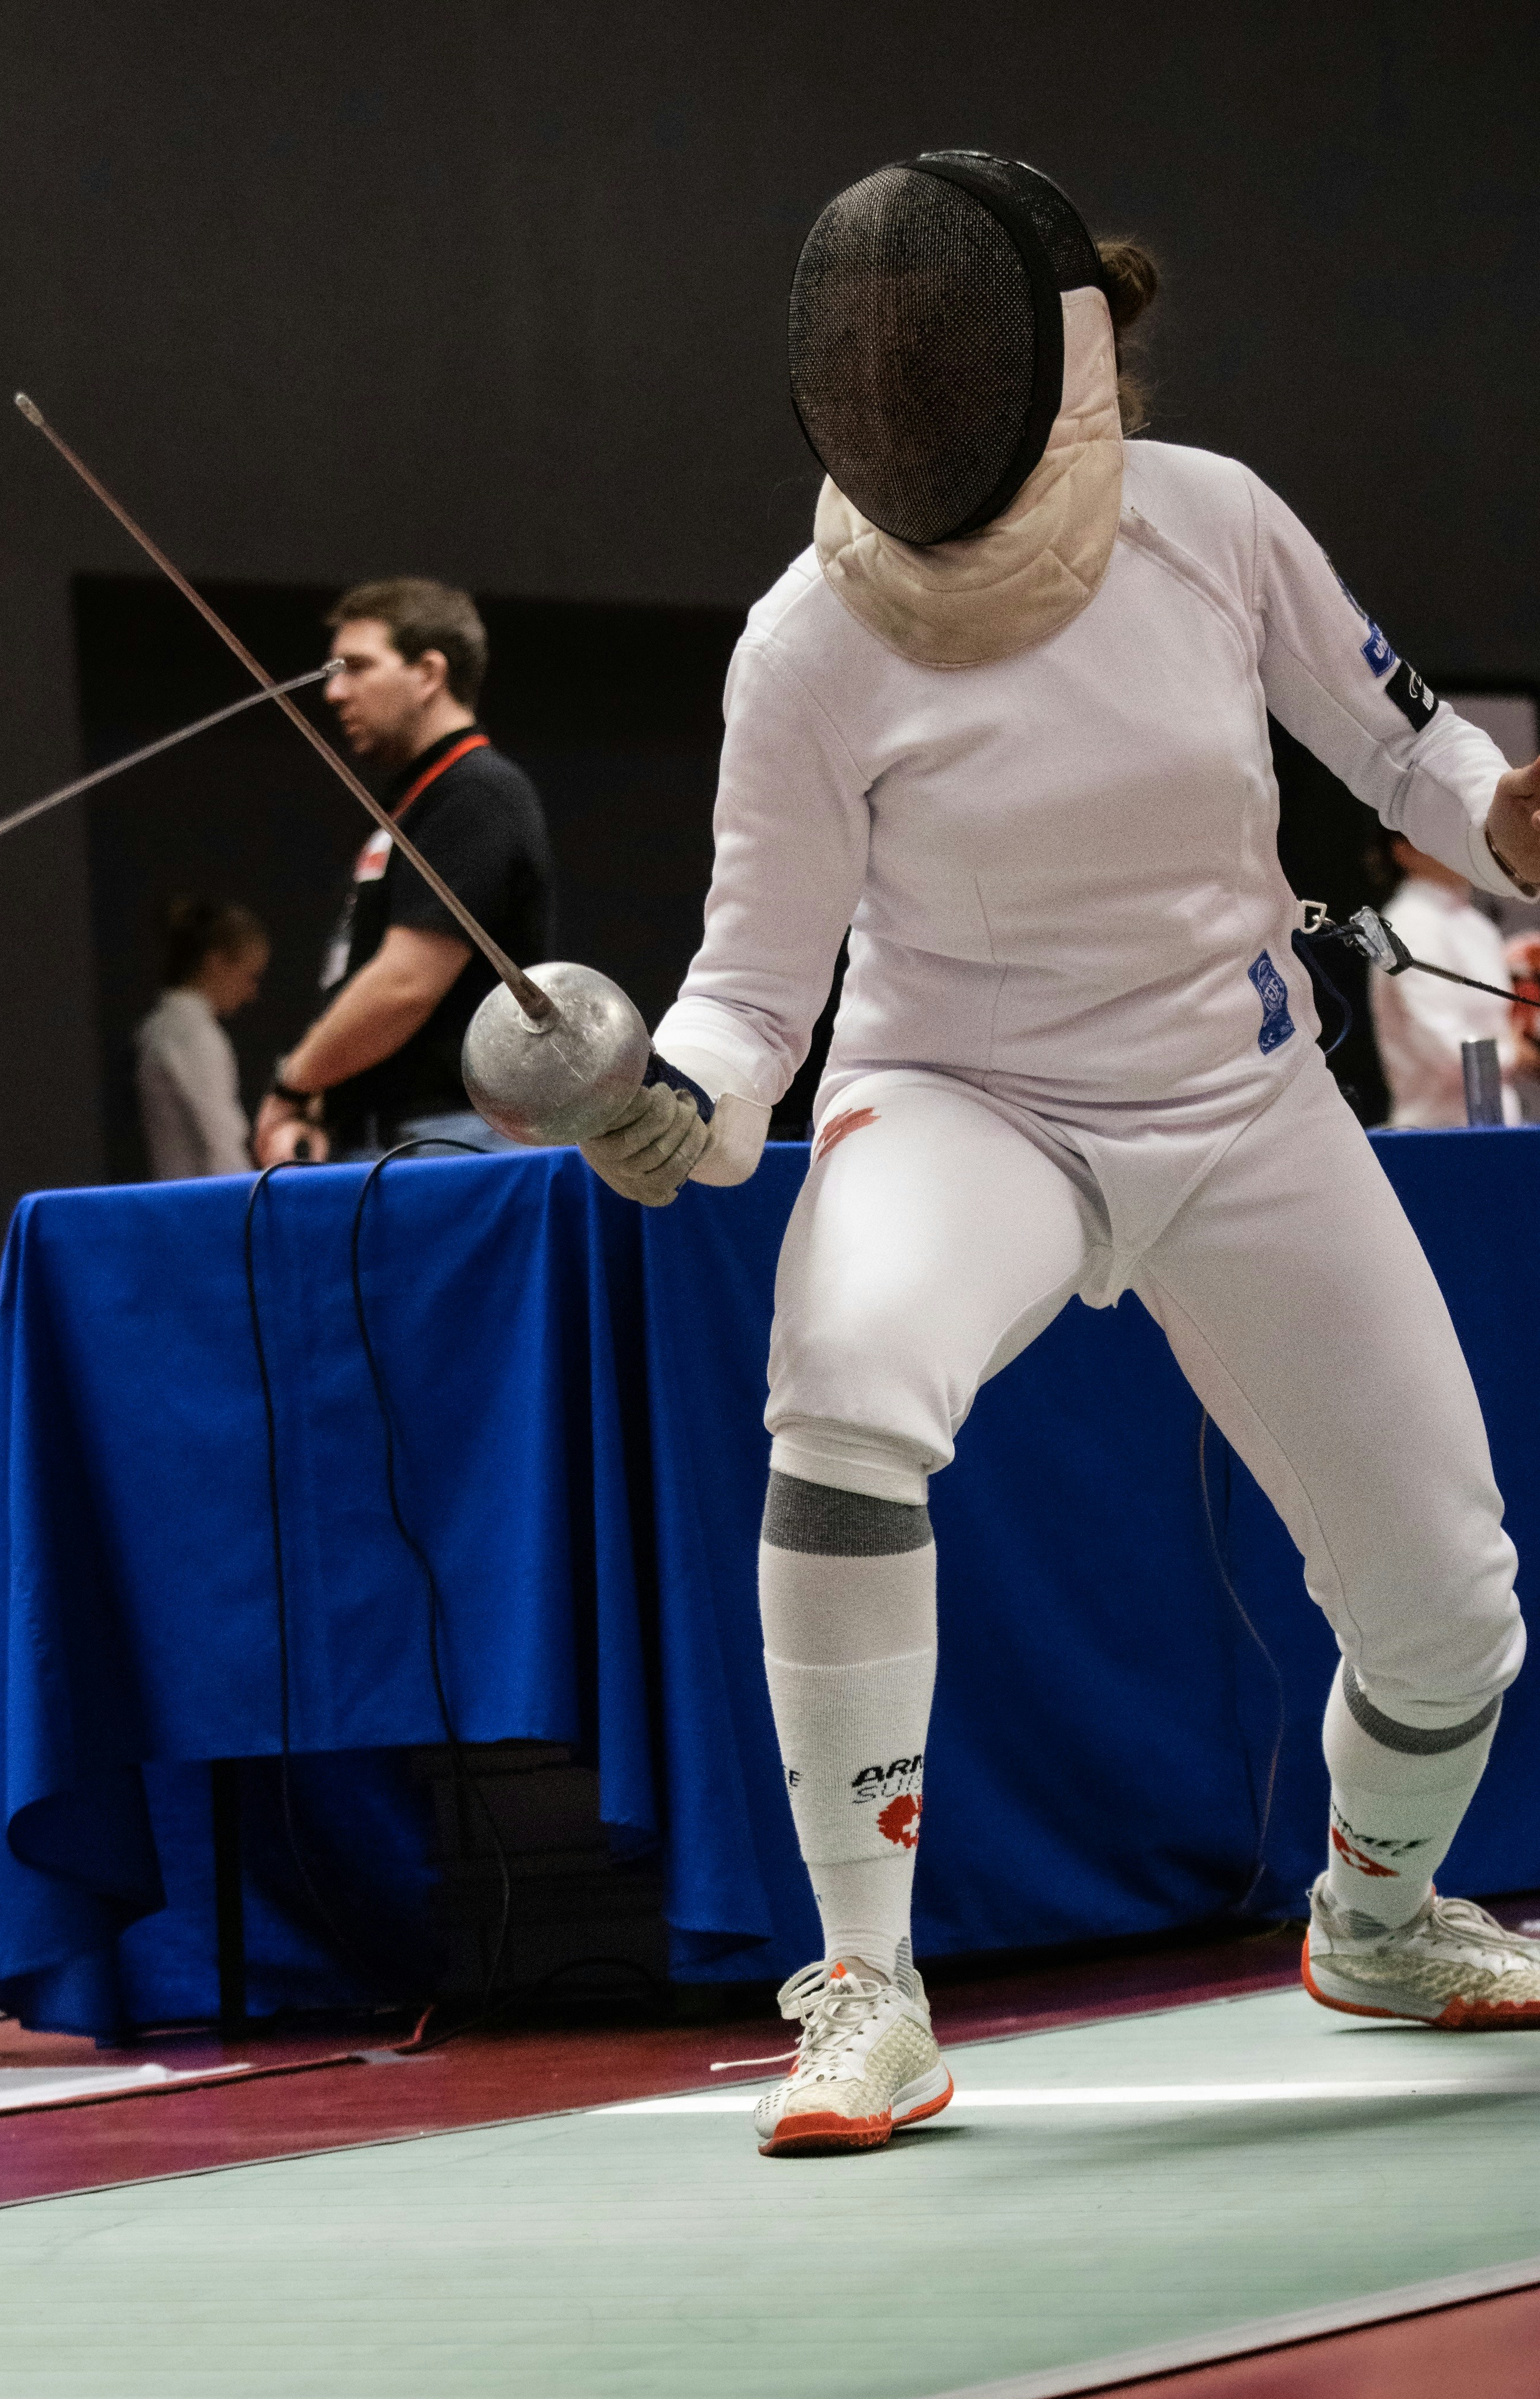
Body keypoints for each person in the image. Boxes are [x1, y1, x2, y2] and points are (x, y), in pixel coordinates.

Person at [578, 150, 1540, 2156]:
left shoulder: (1209, 524)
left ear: (1057, 354)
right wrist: (675, 1090)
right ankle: (868, 1985)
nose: (900, 381)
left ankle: (1372, 1920)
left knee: (1451, 1600)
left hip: (1245, 1094)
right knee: (843, 1390)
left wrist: (1507, 823)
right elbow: (756, 990)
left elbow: (1400, 743)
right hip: (964, 1101)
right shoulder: (806, 642)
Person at [254, 580, 554, 1162]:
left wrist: (294, 1087)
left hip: (447, 1139)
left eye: (358, 667)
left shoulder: (477, 793)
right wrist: (324, 1105)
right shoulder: (416, 802)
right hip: (393, 1137)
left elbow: (405, 985)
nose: (335, 692)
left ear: (428, 673)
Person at [1372, 836, 1524, 1125]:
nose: (1461, 845)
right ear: (1404, 852)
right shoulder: (1408, 924)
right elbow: (1446, 1050)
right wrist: (1519, 1055)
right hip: (1436, 1131)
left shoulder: (1475, 923)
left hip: (1498, 1126)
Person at [135, 900, 279, 1179]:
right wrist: (247, 1207)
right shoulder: (190, 1032)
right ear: (215, 964)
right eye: (250, 977)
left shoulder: (168, 1027)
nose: (252, 993)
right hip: (202, 1207)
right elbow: (221, 1138)